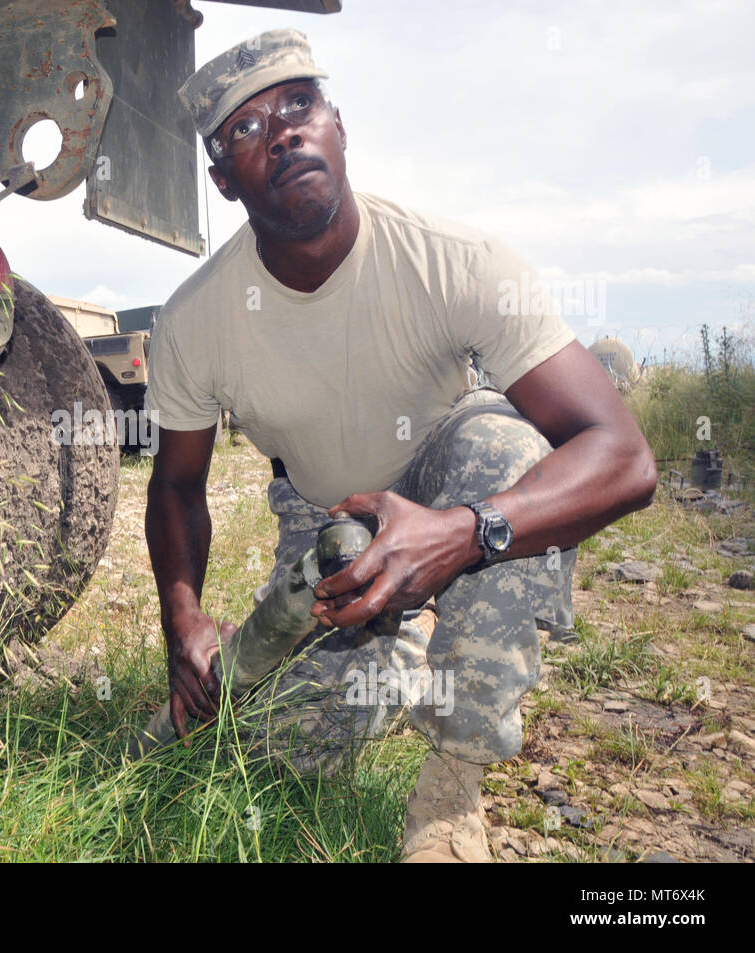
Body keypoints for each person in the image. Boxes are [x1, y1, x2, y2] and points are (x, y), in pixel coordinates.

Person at [143, 29, 657, 862]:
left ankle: (451, 786)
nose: (284, 133)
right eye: (246, 129)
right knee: (276, 749)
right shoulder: (195, 320)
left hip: (450, 489)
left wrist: (464, 532)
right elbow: (175, 485)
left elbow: (624, 456)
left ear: (339, 125)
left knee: (505, 446)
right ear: (223, 180)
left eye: (300, 104)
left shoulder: (458, 261)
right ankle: (399, 640)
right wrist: (184, 618)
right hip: (327, 532)